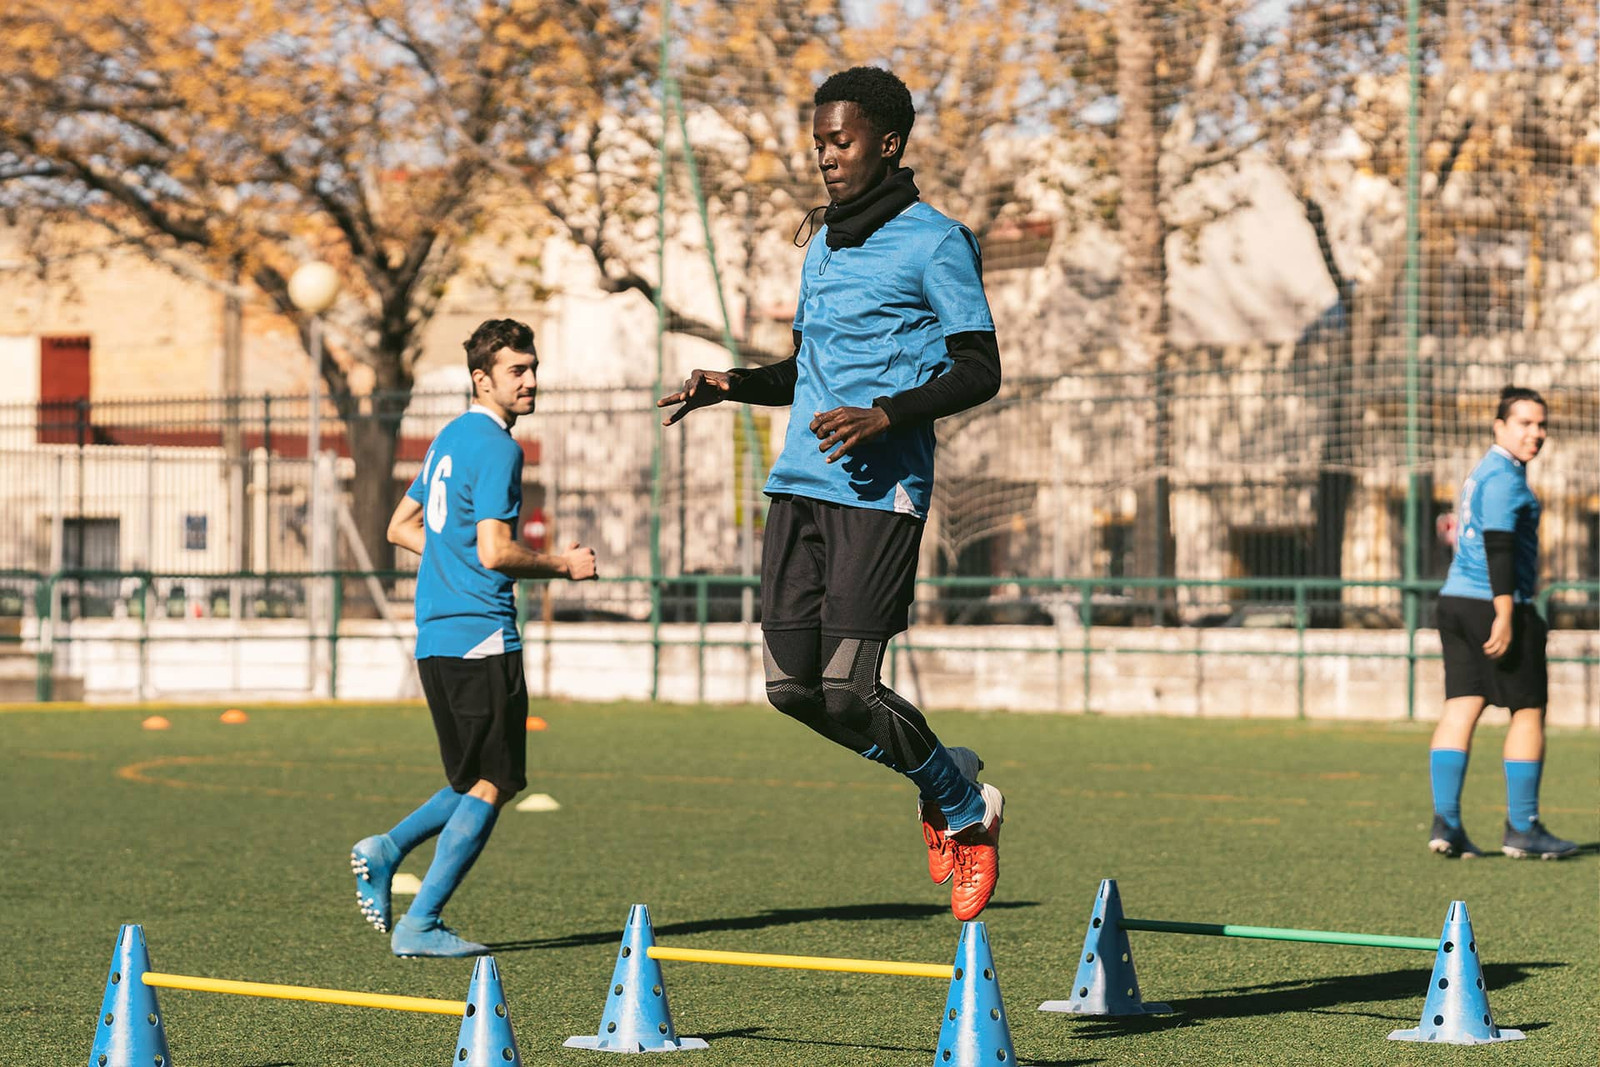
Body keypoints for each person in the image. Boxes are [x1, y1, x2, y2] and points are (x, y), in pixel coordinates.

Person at [658, 67, 1005, 919]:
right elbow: (805, 374)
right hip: (797, 492)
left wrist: (888, 414)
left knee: (851, 688)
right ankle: (944, 771)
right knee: (791, 690)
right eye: (818, 141)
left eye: (840, 141)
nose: (825, 156)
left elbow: (980, 369)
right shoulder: (819, 242)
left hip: (878, 499)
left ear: (888, 144)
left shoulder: (937, 241)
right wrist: (730, 382)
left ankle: (965, 812)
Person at [352, 318, 598, 957]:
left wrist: (453, 558)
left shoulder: (449, 438)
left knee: (474, 780)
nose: (531, 381)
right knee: (495, 783)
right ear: (480, 378)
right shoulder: (497, 446)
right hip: (482, 633)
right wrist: (562, 566)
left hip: (436, 632)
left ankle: (385, 848)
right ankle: (421, 923)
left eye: (533, 367)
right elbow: (495, 550)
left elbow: (400, 527)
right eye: (517, 371)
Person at [1428, 385, 1575, 860]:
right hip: (1494, 603)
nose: (1537, 433)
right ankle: (1523, 828)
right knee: (1528, 710)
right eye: (1525, 423)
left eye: (1541, 424)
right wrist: (1507, 611)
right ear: (1499, 427)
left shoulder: (1481, 473)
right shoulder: (1506, 478)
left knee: (1462, 704)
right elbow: (1499, 546)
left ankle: (1446, 825)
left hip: (1455, 600)